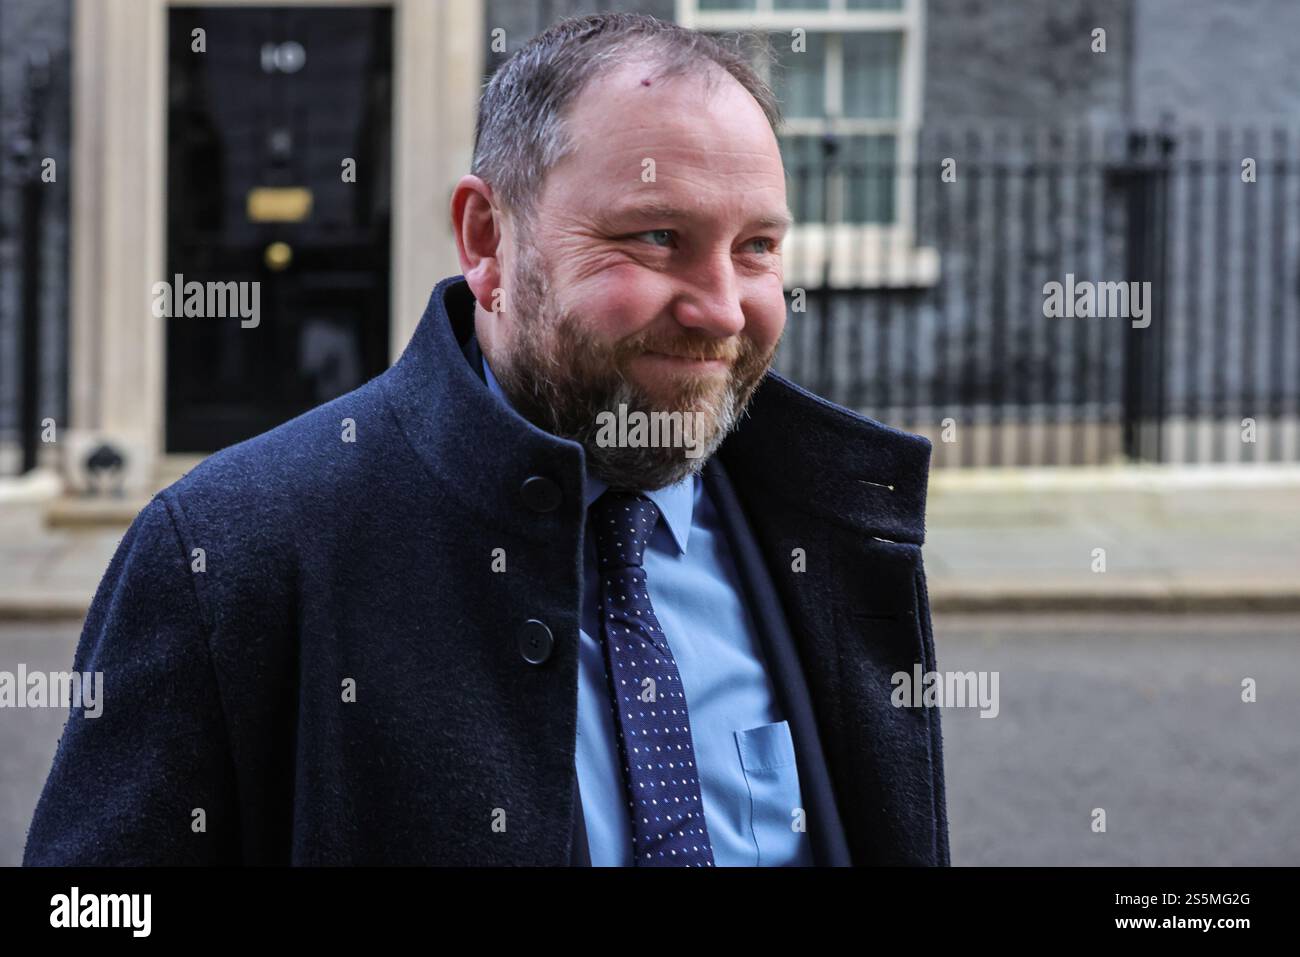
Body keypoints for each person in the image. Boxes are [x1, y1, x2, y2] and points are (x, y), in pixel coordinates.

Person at [24, 12, 948, 867]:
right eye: (658, 237)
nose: (721, 309)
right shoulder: (226, 553)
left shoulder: (832, 536)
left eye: (755, 248)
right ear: (487, 238)